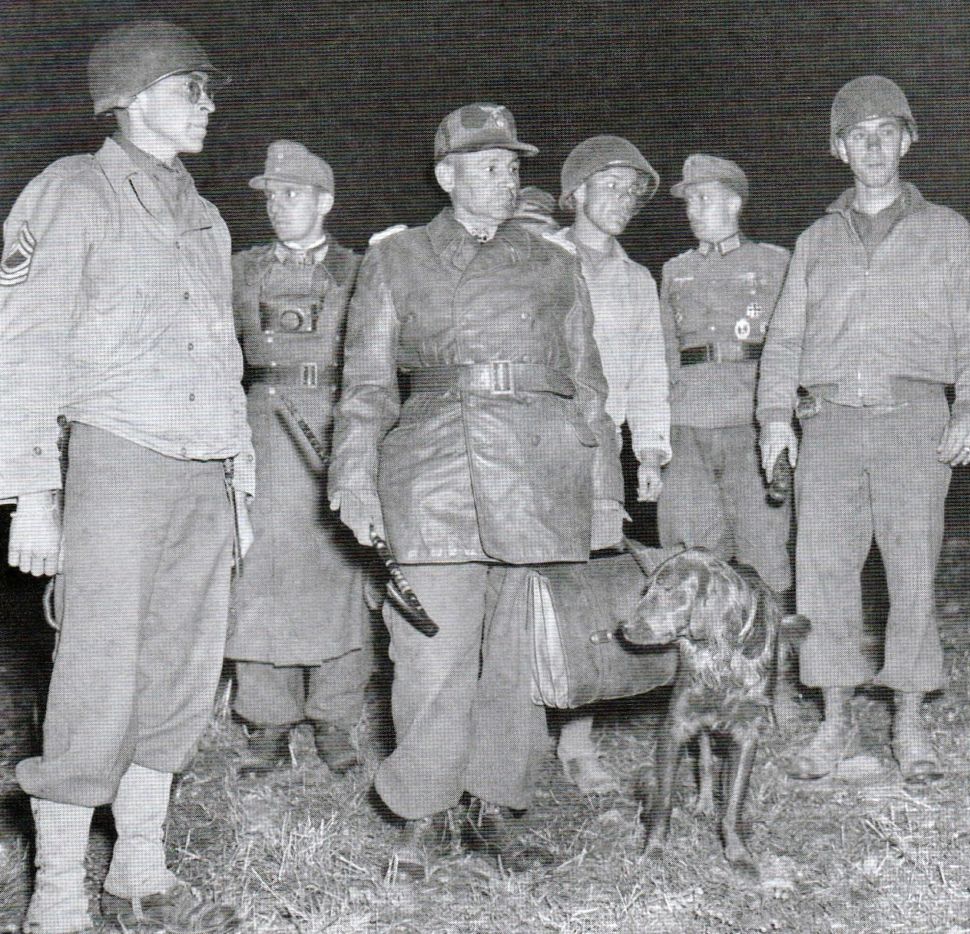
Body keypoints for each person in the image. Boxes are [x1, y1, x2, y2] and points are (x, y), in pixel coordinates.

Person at [328, 103, 624, 878]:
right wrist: (353, 480)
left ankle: (497, 808)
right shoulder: (397, 262)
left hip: (538, 473)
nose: (506, 177)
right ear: (446, 176)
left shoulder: (556, 265)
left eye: (513, 166)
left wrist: (603, 494)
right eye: (488, 165)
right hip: (433, 476)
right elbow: (364, 385)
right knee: (431, 655)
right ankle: (425, 814)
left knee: (517, 657)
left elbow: (590, 387)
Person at [0, 20, 249, 933]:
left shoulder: (207, 217)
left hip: (204, 468)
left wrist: (242, 484)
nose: (209, 106)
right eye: (193, 89)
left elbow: (223, 359)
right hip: (114, 458)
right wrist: (31, 490)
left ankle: (139, 858)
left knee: (181, 669)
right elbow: (21, 351)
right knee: (96, 673)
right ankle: (60, 888)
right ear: (135, 98)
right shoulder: (71, 191)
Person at [757, 75, 970, 784]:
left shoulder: (947, 231)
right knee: (823, 571)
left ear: (907, 141)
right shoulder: (814, 239)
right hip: (828, 421)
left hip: (914, 418)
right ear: (839, 149)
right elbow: (783, 342)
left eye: (886, 132)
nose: (873, 147)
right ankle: (834, 722)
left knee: (912, 570)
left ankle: (911, 724)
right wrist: (775, 418)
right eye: (858, 136)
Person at [227, 141, 369, 777]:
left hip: (338, 427)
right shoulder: (241, 271)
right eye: (272, 195)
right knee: (258, 571)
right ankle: (267, 720)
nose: (280, 206)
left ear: (326, 201)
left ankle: (335, 719)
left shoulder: (360, 271)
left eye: (294, 194)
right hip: (260, 425)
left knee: (344, 572)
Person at [553, 135, 670, 793]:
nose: (624, 200)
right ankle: (513, 723)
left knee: (597, 590)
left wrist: (649, 448)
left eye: (634, 191)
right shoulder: (537, 258)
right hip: (536, 441)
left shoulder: (635, 279)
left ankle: (577, 741)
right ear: (577, 194)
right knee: (532, 583)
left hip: (607, 449)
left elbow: (650, 367)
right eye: (613, 186)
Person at [657, 154, 792, 599]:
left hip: (749, 415)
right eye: (689, 201)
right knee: (689, 547)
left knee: (764, 547)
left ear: (734, 203)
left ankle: (769, 657)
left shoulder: (775, 263)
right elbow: (664, 349)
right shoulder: (675, 271)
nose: (693, 210)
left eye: (704, 198)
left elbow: (791, 342)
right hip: (688, 419)